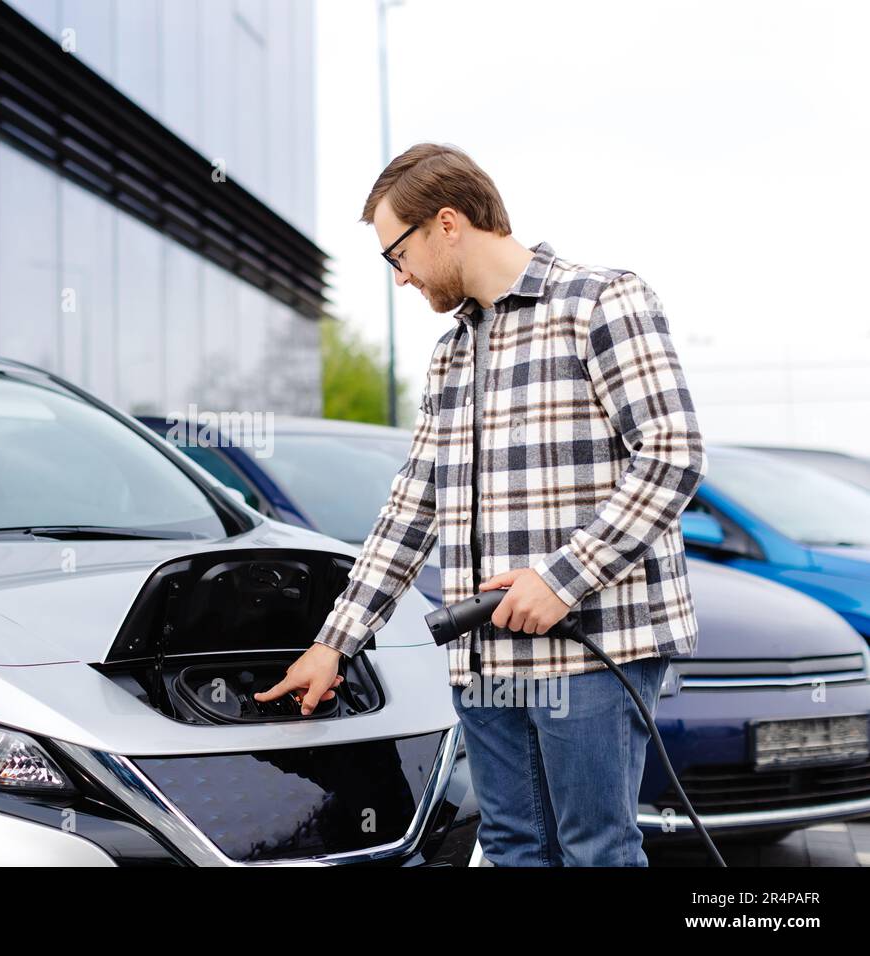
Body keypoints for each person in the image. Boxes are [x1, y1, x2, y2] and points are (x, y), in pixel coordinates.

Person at [255, 143, 707, 866]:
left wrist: (560, 579)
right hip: (484, 660)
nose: (399, 278)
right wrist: (333, 643)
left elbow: (673, 452)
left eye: (396, 254)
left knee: (595, 848)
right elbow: (413, 506)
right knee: (510, 848)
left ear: (447, 223)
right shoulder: (451, 353)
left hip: (594, 649)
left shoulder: (599, 300)